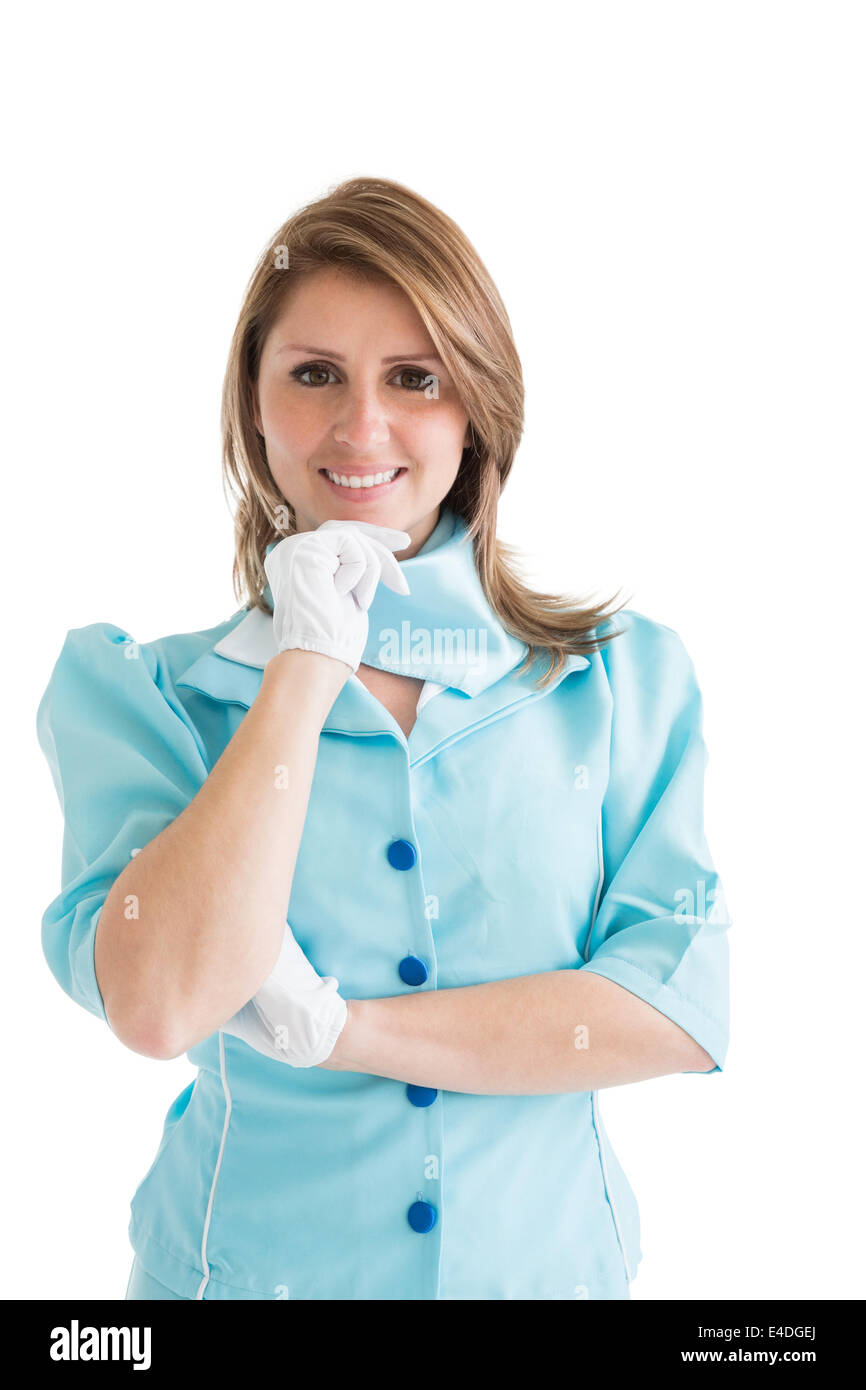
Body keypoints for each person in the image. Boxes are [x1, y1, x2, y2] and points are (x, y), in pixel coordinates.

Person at [36, 176, 731, 1301]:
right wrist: (305, 665)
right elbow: (159, 1002)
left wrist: (347, 1032)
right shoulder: (140, 693)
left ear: (477, 410)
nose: (361, 429)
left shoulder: (619, 680)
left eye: (415, 379)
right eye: (313, 375)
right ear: (254, 409)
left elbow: (669, 1010)